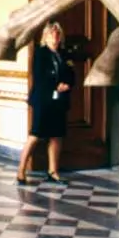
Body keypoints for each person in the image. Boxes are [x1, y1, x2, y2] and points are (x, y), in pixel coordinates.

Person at [18, 21, 74, 185]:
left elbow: (71, 74)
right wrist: (55, 85)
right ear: (45, 36)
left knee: (57, 135)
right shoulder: (40, 53)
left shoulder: (64, 53)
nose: (55, 36)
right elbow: (40, 76)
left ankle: (53, 171)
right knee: (36, 134)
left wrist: (67, 84)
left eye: (57, 33)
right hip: (43, 100)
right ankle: (21, 169)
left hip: (60, 100)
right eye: (51, 33)